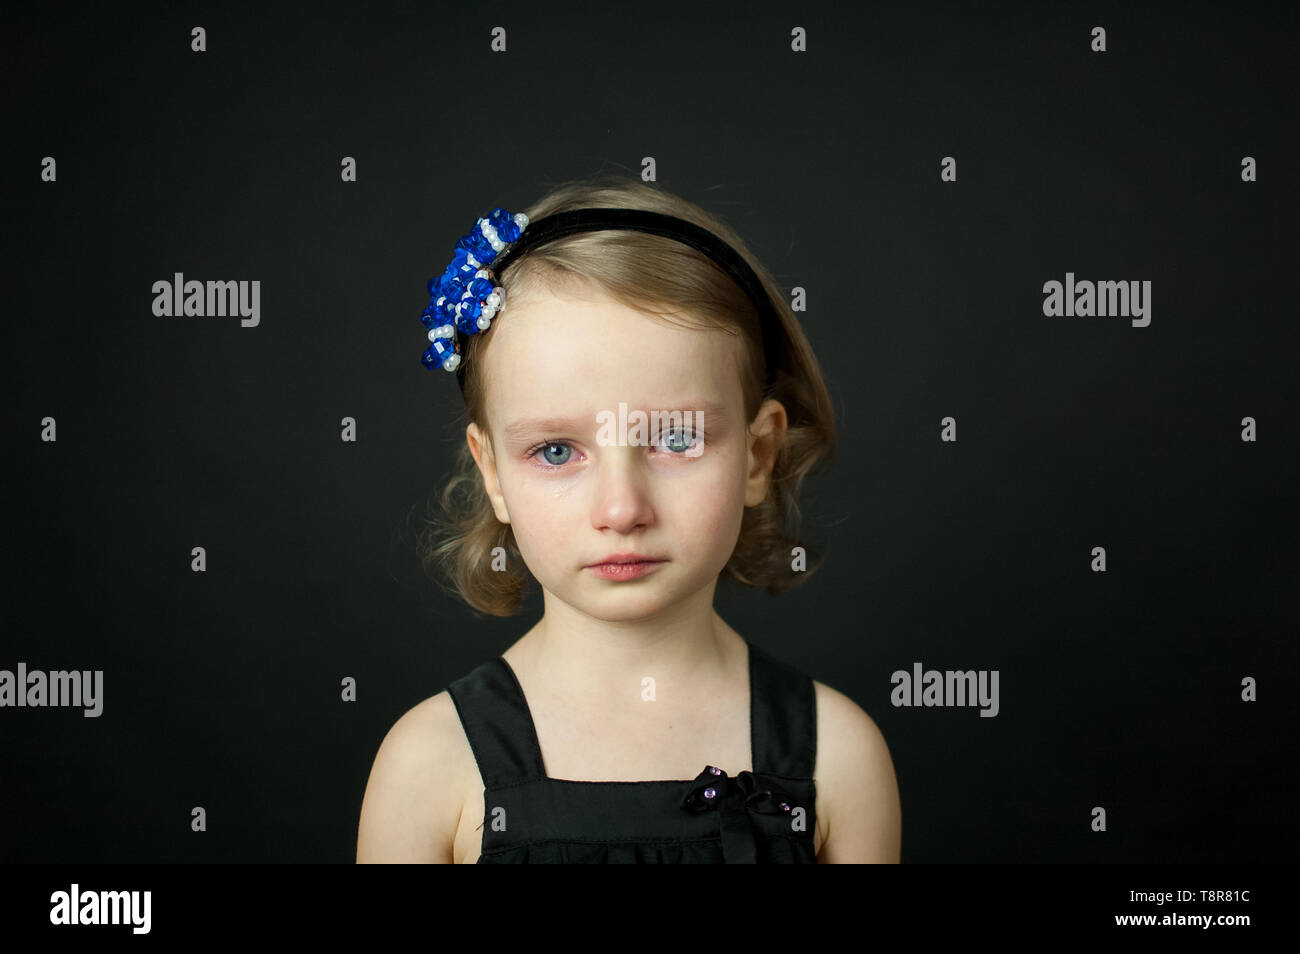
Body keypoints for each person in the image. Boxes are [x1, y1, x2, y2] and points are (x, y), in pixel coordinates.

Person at [356, 174, 901, 863]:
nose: (622, 509)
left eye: (676, 440)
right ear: (492, 473)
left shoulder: (839, 757)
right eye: (557, 451)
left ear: (758, 454)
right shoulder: (429, 765)